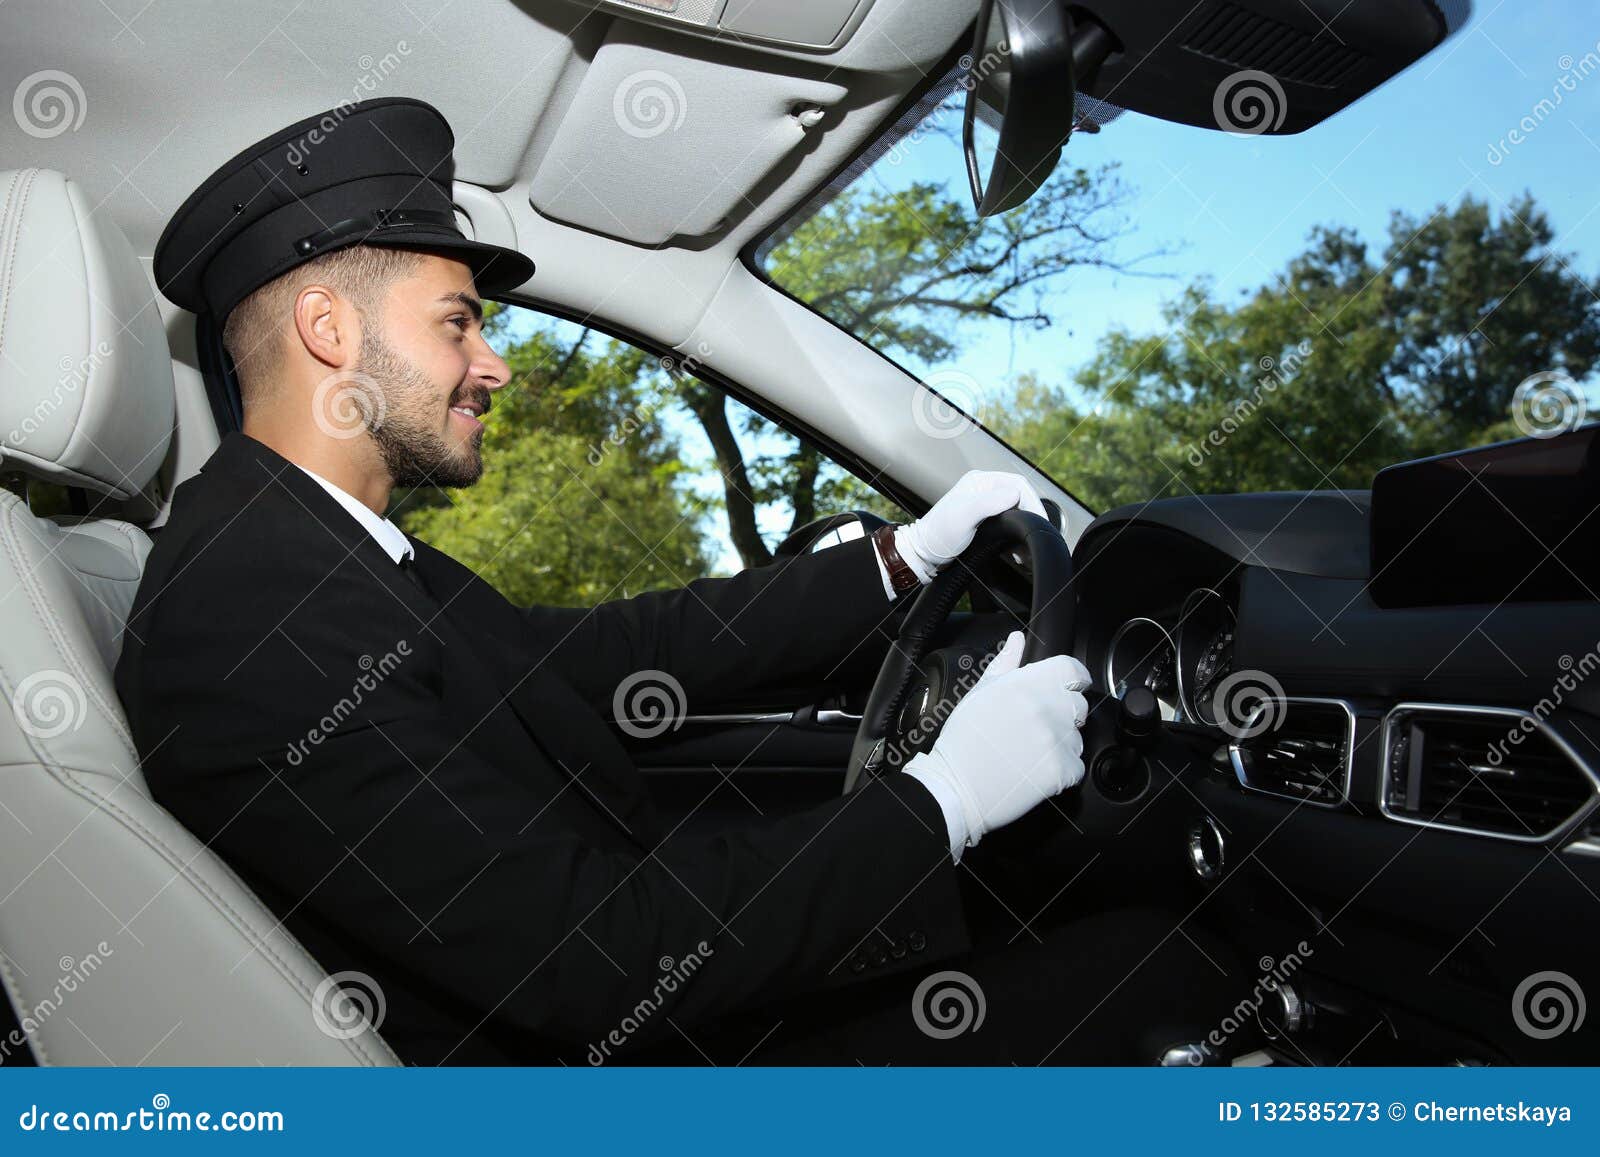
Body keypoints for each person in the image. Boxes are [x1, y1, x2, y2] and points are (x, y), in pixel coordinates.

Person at [117, 99, 1229, 1066]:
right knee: (1164, 970)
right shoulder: (250, 613)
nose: (492, 361)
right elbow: (590, 953)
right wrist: (944, 800)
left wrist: (901, 563)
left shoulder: (314, 547)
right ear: (327, 329)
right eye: (458, 321)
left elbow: (577, 662)